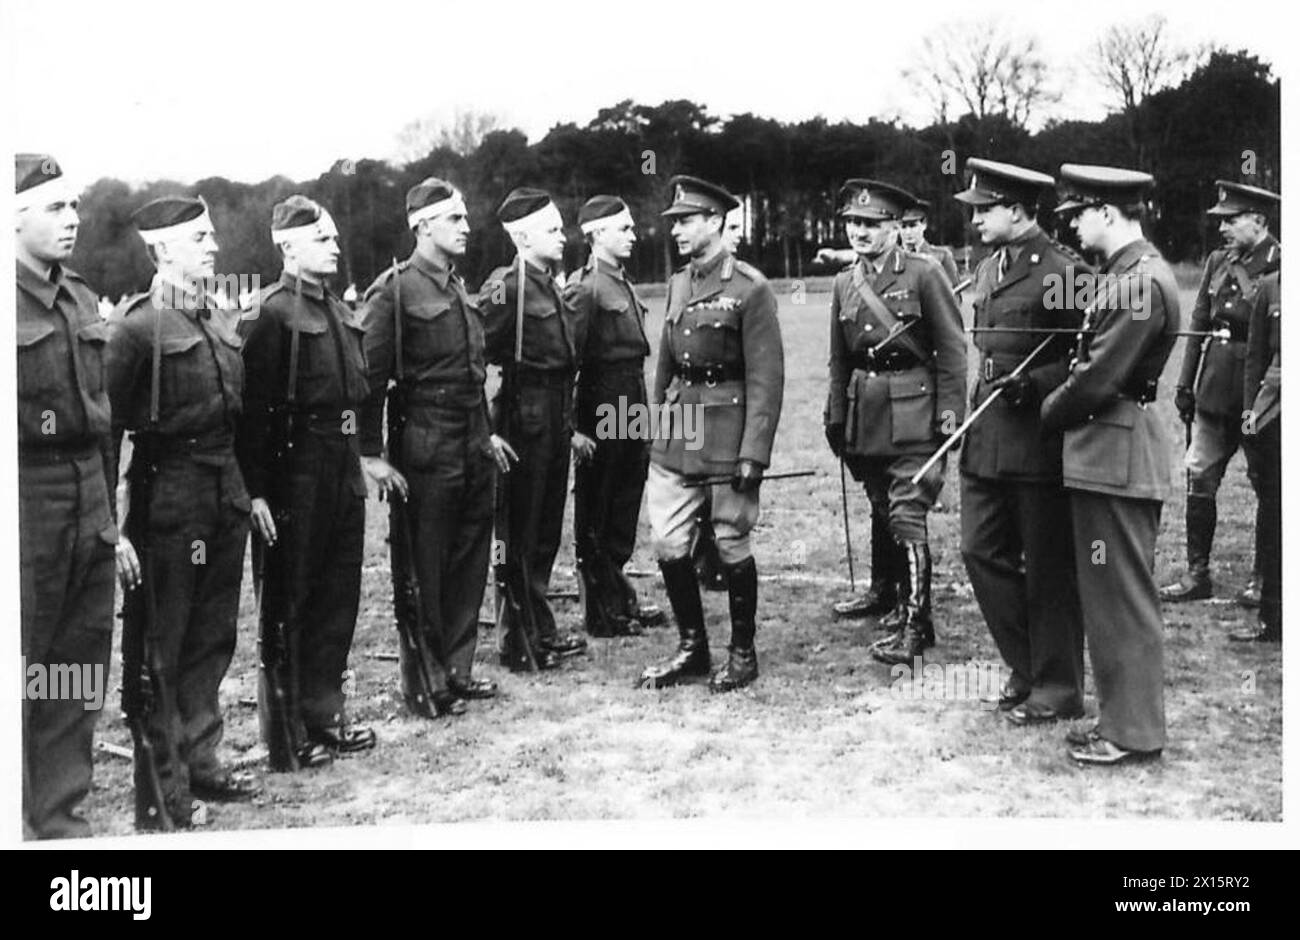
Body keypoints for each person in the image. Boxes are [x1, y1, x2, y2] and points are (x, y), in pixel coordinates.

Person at [106, 196, 257, 828]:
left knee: (213, 633)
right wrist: (111, 526)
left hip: (223, 488)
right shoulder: (138, 327)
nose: (214, 247)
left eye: (211, 237)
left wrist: (247, 491)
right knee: (163, 645)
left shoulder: (216, 316)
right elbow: (105, 427)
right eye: (198, 240)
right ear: (164, 250)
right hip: (169, 493)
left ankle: (202, 757)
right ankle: (163, 786)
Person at [1042, 164, 1180, 766]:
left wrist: (1048, 411)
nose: (1072, 228)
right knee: (1110, 592)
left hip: (1114, 454)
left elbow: (1097, 378)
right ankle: (1122, 721)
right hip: (1109, 454)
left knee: (1118, 594)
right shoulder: (1128, 274)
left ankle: (1131, 731)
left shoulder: (1134, 283)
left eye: (1077, 216)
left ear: (1106, 213)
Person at [360, 178, 510, 707]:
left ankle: (457, 667)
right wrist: (370, 453)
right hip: (423, 439)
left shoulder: (456, 288)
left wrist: (485, 435)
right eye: (454, 220)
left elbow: (470, 373)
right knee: (424, 563)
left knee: (469, 558)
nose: (466, 227)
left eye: (465, 218)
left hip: (471, 437)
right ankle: (425, 680)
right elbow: (369, 378)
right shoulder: (394, 290)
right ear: (423, 227)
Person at [237, 195, 374, 766]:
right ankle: (285, 731)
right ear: (287, 247)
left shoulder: (340, 312)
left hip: (340, 465)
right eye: (323, 239)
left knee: (337, 598)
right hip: (293, 471)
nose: (336, 246)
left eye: (335, 238)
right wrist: (257, 490)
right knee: (287, 603)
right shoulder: (268, 315)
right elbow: (248, 413)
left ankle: (324, 712)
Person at [953, 158, 1087, 724]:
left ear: (1018, 209)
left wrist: (1034, 384)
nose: (976, 219)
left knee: (1049, 567)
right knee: (979, 550)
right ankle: (1026, 663)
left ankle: (1057, 688)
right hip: (985, 434)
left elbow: (1085, 359)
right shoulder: (989, 267)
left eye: (985, 209)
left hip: (1036, 436)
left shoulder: (1061, 271)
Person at [638, 175, 785, 692]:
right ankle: (692, 649)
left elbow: (767, 379)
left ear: (716, 221)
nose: (676, 230)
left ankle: (742, 654)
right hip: (680, 430)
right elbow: (665, 363)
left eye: (686, 220)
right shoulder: (679, 283)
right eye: (674, 221)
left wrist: (754, 454)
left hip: (727, 430)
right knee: (669, 540)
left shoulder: (750, 287)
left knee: (729, 538)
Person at [823, 180, 966, 666]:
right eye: (852, 223)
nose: (859, 232)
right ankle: (897, 601)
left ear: (893, 228)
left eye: (870, 224)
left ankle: (917, 624)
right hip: (867, 414)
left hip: (915, 411)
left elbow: (951, 349)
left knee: (906, 513)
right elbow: (838, 359)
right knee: (885, 509)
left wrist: (950, 416)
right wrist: (836, 415)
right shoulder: (845, 282)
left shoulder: (925, 274)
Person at [16, 154, 116, 839]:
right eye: (55, 207)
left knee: (75, 669)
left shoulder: (81, 297)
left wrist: (112, 511)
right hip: (24, 498)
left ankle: (60, 818)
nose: (73, 219)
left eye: (74, 205)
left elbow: (104, 413)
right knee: (20, 664)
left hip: (89, 491)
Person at [480, 188, 588, 671]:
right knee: (516, 535)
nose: (561, 236)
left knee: (544, 533)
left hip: (554, 416)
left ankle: (539, 628)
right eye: (549, 229)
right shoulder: (508, 286)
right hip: (521, 418)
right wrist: (484, 428)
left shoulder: (549, 284)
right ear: (522, 237)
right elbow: (466, 355)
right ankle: (516, 639)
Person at [1160, 181, 1280, 605]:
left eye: (1232, 219)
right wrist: (1183, 384)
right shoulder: (1216, 263)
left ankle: (1264, 579)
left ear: (1260, 222)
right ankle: (1198, 573)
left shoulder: (1281, 264)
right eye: (1221, 220)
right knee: (1200, 476)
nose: (1223, 227)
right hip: (1213, 390)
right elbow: (1196, 329)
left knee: (1270, 487)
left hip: (1261, 398)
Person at [565, 195, 664, 636]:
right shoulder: (585, 287)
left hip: (630, 399)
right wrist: (571, 428)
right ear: (596, 234)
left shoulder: (620, 281)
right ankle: (601, 613)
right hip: (601, 401)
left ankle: (619, 597)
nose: (632, 235)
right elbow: (565, 363)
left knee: (624, 505)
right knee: (599, 510)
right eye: (622, 229)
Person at [1233, 269, 1280, 642]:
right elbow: (1256, 356)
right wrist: (1251, 411)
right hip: (1275, 413)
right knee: (1275, 510)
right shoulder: (1271, 285)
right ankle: (1273, 615)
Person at [899, 198, 960, 285]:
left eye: (913, 226)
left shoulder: (941, 256)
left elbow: (955, 294)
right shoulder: (894, 257)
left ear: (924, 225)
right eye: (903, 227)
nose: (908, 232)